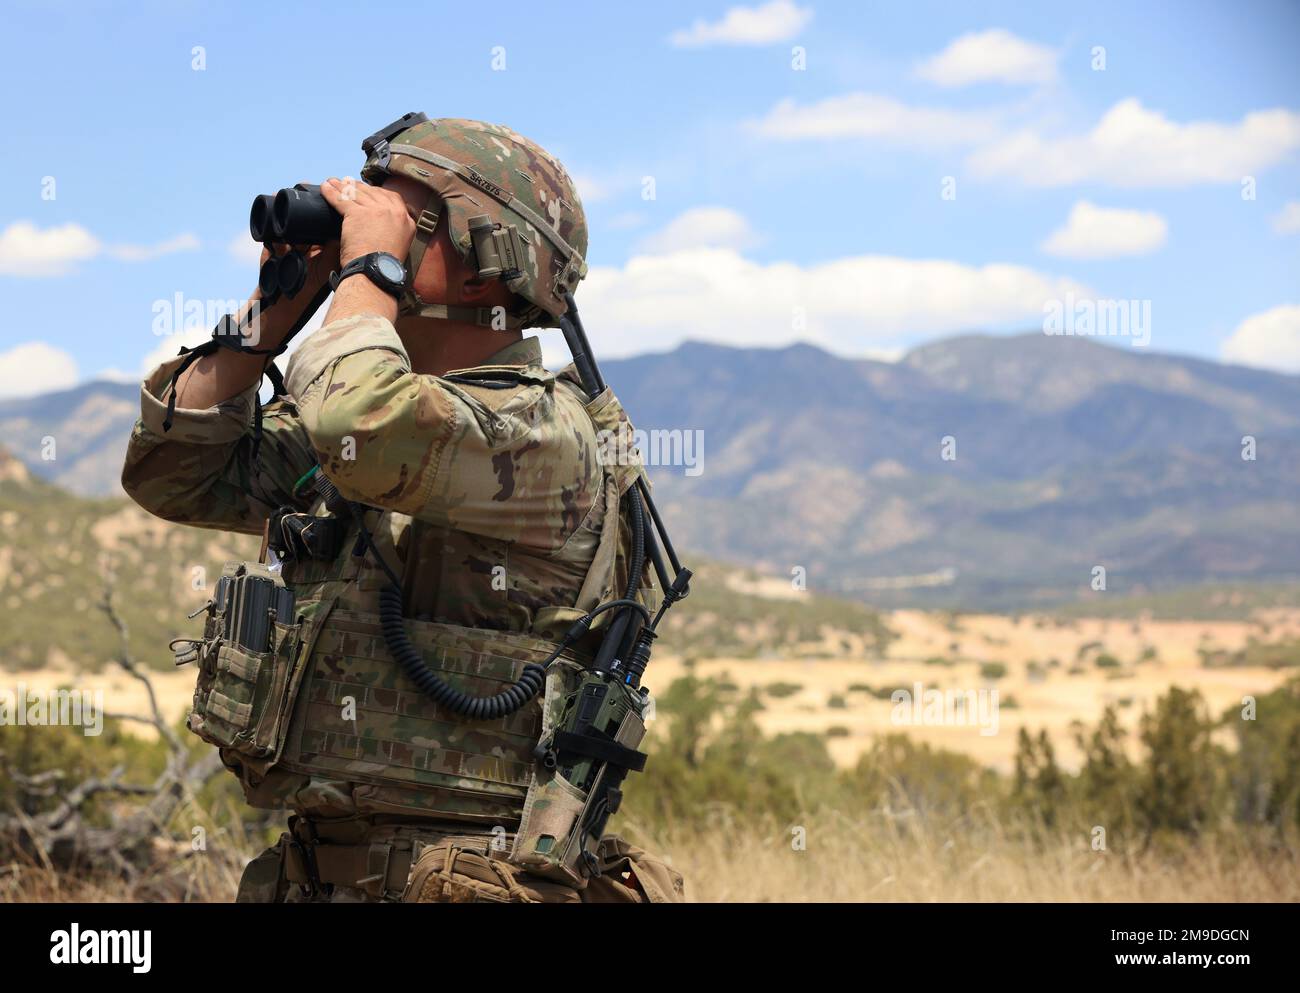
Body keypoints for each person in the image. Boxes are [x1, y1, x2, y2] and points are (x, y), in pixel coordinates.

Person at [121, 116, 683, 903]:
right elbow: (173, 474)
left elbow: (361, 421)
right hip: (318, 875)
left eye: (399, 216)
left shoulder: (544, 436)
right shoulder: (370, 414)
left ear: (489, 269)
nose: (360, 220)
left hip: (473, 880)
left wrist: (367, 274)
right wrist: (268, 317)